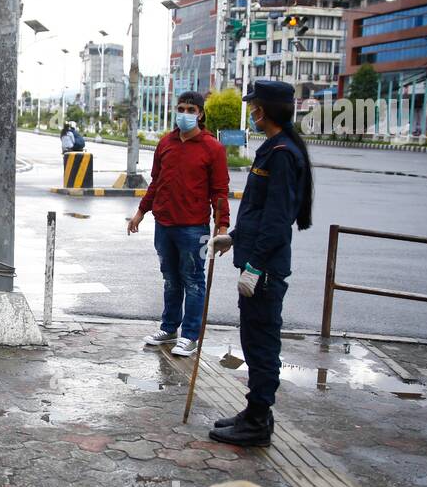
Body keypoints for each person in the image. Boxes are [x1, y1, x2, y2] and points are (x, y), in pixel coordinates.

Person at [209, 79, 314, 446]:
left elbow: (276, 218)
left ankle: (257, 421)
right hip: (257, 261)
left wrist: (254, 266)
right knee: (253, 340)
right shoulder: (272, 148)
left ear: (267, 109)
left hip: (265, 269)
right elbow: (256, 212)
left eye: (255, 106)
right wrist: (234, 238)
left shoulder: (283, 153)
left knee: (262, 344)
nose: (252, 111)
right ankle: (255, 412)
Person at [128, 90, 230, 357]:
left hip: (193, 228)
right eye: (181, 109)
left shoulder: (213, 148)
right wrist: (141, 212)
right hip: (164, 225)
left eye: (190, 110)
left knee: (194, 281)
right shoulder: (165, 144)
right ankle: (169, 328)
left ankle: (190, 335)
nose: (185, 114)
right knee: (171, 280)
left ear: (201, 114)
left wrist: (222, 229)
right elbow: (156, 182)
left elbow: (219, 193)